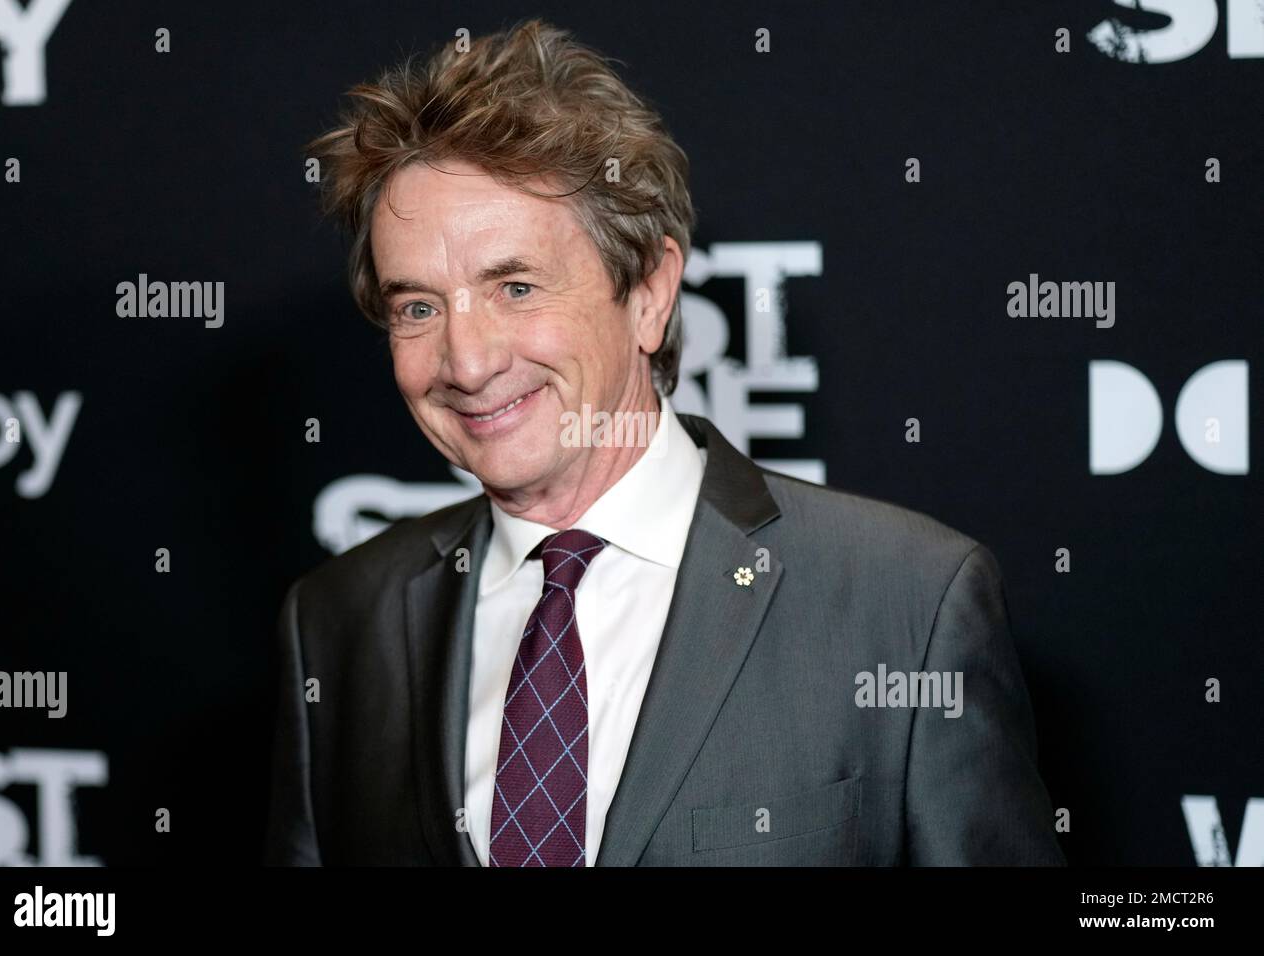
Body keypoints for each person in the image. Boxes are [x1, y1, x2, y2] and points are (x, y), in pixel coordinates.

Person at [264, 17, 1065, 866]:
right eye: (418, 307)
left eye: (517, 287)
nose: (466, 360)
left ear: (649, 293)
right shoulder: (336, 623)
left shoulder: (906, 605)